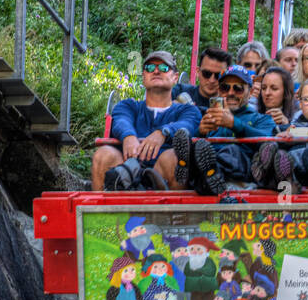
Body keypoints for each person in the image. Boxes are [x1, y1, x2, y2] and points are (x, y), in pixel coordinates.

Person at [94, 50, 199, 191]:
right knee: (103, 154)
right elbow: (121, 120)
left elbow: (188, 124)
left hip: (164, 173)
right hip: (127, 168)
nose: (156, 71)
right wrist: (128, 136)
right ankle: (103, 210)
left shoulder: (187, 111)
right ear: (144, 77)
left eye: (163, 68)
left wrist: (163, 132)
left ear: (175, 78)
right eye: (150, 68)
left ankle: (173, 211)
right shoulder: (128, 106)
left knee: (174, 157)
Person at [171, 66, 277, 194]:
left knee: (231, 150)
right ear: (219, 91)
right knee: (195, 143)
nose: (230, 93)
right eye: (225, 88)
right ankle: (206, 175)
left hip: (243, 171)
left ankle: (211, 176)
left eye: (238, 88)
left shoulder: (262, 119)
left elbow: (267, 141)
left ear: (250, 92)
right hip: (206, 175)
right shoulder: (208, 116)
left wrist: (234, 124)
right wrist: (201, 132)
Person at [252, 76, 308, 192]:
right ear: (300, 103)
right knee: (274, 148)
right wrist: (279, 139)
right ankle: (270, 174)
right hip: (286, 180)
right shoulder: (283, 129)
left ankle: (283, 174)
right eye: (306, 99)